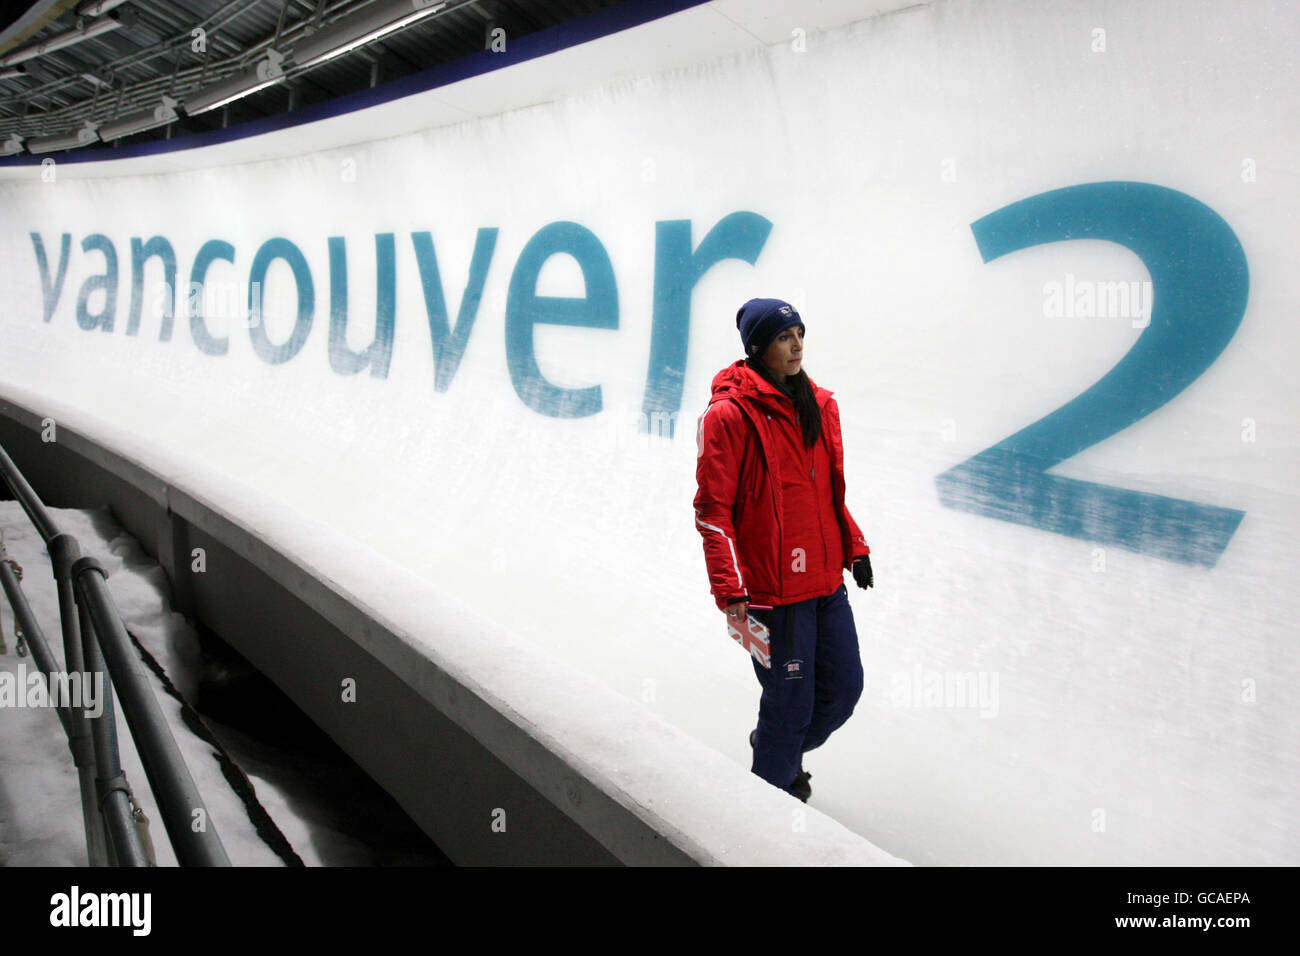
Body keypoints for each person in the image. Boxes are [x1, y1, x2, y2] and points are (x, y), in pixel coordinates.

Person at [693, 297, 874, 802]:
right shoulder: (729, 416)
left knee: (842, 692)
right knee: (789, 707)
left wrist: (853, 545)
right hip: (773, 595)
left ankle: (776, 749)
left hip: (824, 583)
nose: (796, 345)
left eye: (799, 334)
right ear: (757, 347)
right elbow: (712, 510)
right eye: (782, 337)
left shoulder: (817, 404)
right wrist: (729, 590)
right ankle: (771, 801)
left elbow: (824, 493)